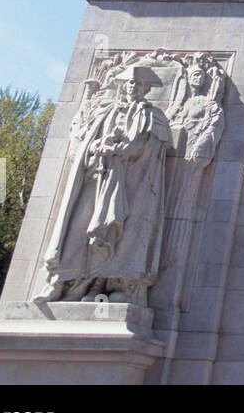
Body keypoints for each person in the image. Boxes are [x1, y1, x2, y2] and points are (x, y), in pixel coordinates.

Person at [38, 64, 171, 306]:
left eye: (139, 84)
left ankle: (107, 285)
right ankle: (64, 283)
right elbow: (83, 145)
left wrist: (120, 149)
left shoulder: (153, 116)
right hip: (96, 177)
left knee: (119, 230)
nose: (134, 87)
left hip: (128, 183)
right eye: (130, 83)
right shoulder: (106, 112)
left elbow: (148, 151)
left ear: (146, 89)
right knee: (79, 227)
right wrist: (97, 148)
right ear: (123, 85)